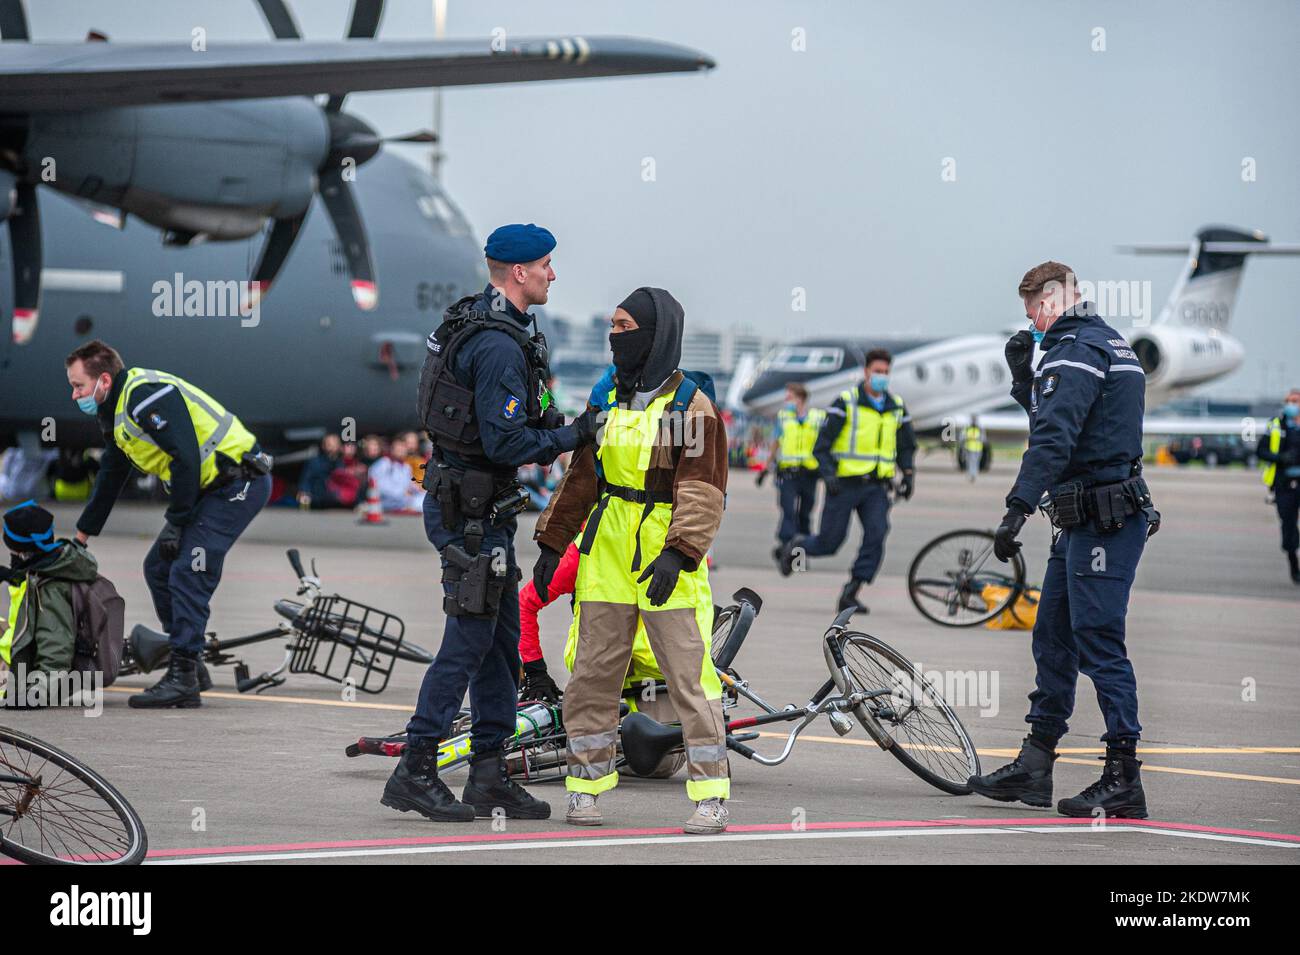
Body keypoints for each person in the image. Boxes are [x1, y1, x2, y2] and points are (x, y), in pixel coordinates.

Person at [382, 223, 600, 823]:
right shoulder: (499, 343)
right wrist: (572, 435)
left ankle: (488, 774)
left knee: (502, 647)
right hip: (473, 518)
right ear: (520, 272)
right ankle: (416, 769)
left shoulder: (478, 321)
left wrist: (555, 421)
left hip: (479, 509)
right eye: (547, 266)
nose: (553, 274)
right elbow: (505, 442)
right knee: (468, 644)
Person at [532, 287, 732, 835]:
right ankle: (585, 789)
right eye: (613, 325)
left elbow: (704, 489)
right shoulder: (609, 398)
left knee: (691, 679)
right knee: (593, 676)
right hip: (607, 554)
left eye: (625, 326)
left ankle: (711, 795)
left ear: (656, 332)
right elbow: (580, 479)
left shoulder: (691, 405)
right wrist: (553, 543)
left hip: (667, 552)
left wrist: (680, 553)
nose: (616, 335)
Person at [967, 261, 1158, 819]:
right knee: (1053, 635)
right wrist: (1026, 381)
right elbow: (1061, 422)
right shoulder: (1106, 344)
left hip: (1103, 519)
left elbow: (1054, 437)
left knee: (1098, 641)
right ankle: (1036, 763)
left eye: (1032, 305)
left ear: (1055, 298)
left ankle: (1124, 776)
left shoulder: (1076, 349)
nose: (1028, 317)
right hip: (1082, 517)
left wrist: (1016, 508)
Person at [66, 339, 272, 708]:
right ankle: (190, 663)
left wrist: (177, 523)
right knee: (158, 567)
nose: (74, 394)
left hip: (239, 482)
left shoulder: (145, 396)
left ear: (105, 381)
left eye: (79, 385)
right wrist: (82, 535)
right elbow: (112, 474)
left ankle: (183, 678)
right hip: (207, 489)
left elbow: (185, 458)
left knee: (188, 570)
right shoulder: (117, 412)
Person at [516, 540, 687, 779]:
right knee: (646, 759)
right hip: (598, 661)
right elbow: (524, 604)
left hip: (654, 670)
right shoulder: (587, 544)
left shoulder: (667, 538)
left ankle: (587, 740)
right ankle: (576, 746)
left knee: (661, 765)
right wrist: (536, 671)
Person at [776, 348, 916, 614]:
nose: (881, 377)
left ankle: (852, 591)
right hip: (844, 485)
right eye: (877, 372)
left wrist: (908, 474)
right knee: (830, 543)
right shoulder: (846, 402)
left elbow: (907, 445)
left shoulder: (896, 406)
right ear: (866, 372)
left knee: (877, 534)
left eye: (886, 373)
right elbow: (822, 446)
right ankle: (796, 546)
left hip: (876, 486)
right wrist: (829, 476)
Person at [1, 502, 99, 704]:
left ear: (22, 552)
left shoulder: (50, 589)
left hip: (18, 679)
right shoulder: (45, 569)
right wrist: (12, 576)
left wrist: (36, 694)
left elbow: (55, 650)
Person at [761, 383, 825, 548]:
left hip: (809, 474)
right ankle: (786, 547)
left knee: (805, 514)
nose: (787, 401)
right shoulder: (783, 418)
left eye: (790, 398)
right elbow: (775, 444)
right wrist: (766, 468)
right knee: (788, 512)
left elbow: (825, 444)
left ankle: (802, 552)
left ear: (801, 399)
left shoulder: (817, 418)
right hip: (788, 473)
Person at [1257, 388, 1300, 583]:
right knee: (1288, 525)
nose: (1292, 405)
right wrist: (1280, 458)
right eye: (1290, 401)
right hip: (1284, 484)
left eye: (1296, 401)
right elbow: (1261, 451)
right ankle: (1294, 565)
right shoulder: (1276, 425)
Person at [962, 416, 986, 482]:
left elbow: (983, 439)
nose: (974, 421)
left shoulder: (980, 429)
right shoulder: (967, 428)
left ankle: (973, 474)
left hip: (977, 449)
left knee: (975, 462)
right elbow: (962, 437)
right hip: (969, 448)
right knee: (970, 462)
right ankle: (972, 474)